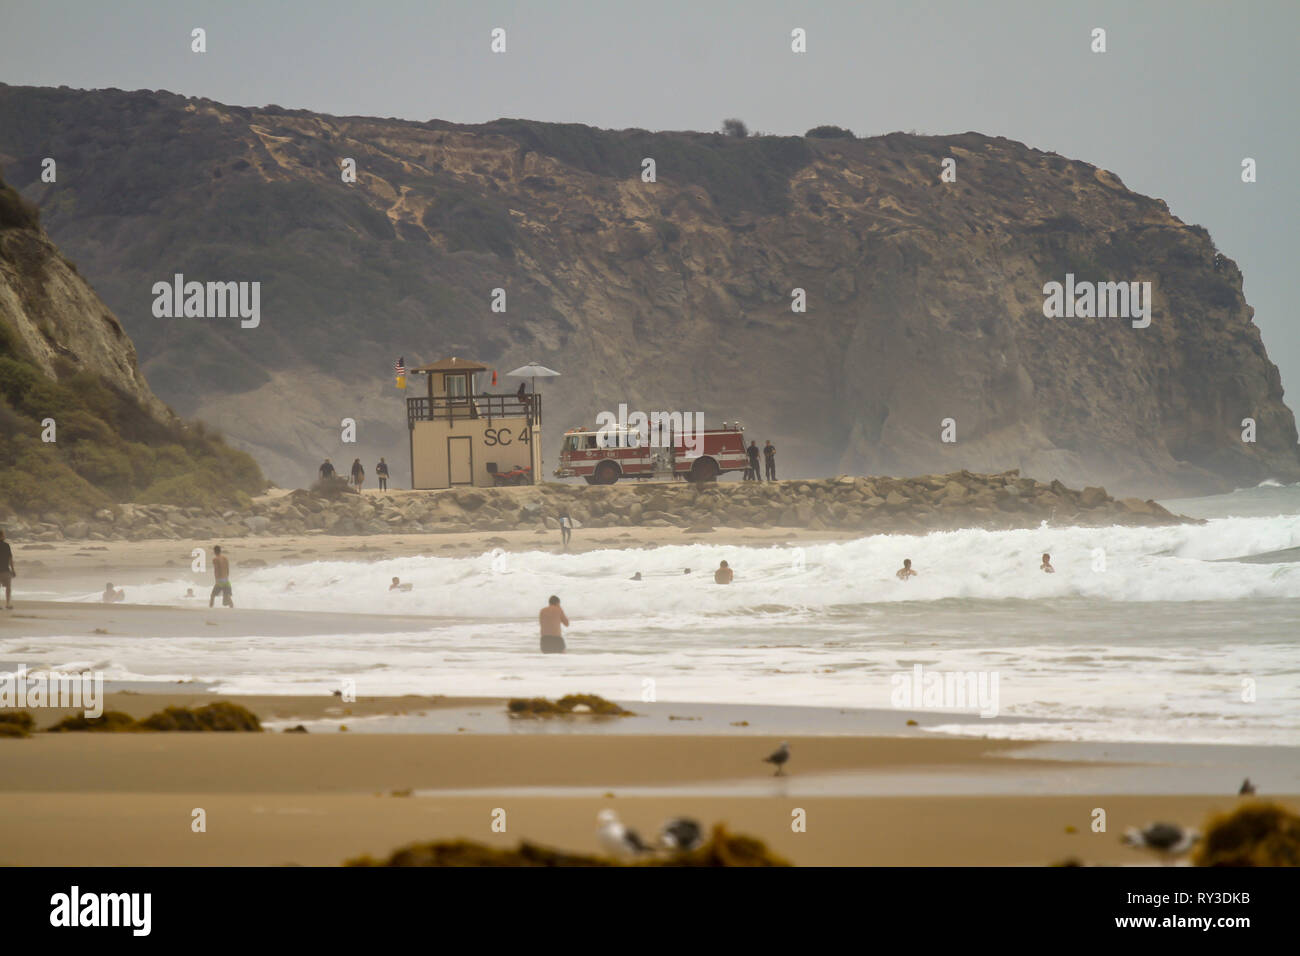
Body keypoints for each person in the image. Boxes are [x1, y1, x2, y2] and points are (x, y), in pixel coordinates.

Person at [0, 529, 14, 610]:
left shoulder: (6, 545)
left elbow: (10, 558)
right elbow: (10, 559)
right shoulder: (6, 545)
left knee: (8, 587)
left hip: (4, 570)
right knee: (8, 588)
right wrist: (13, 570)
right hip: (5, 570)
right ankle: (8, 604)